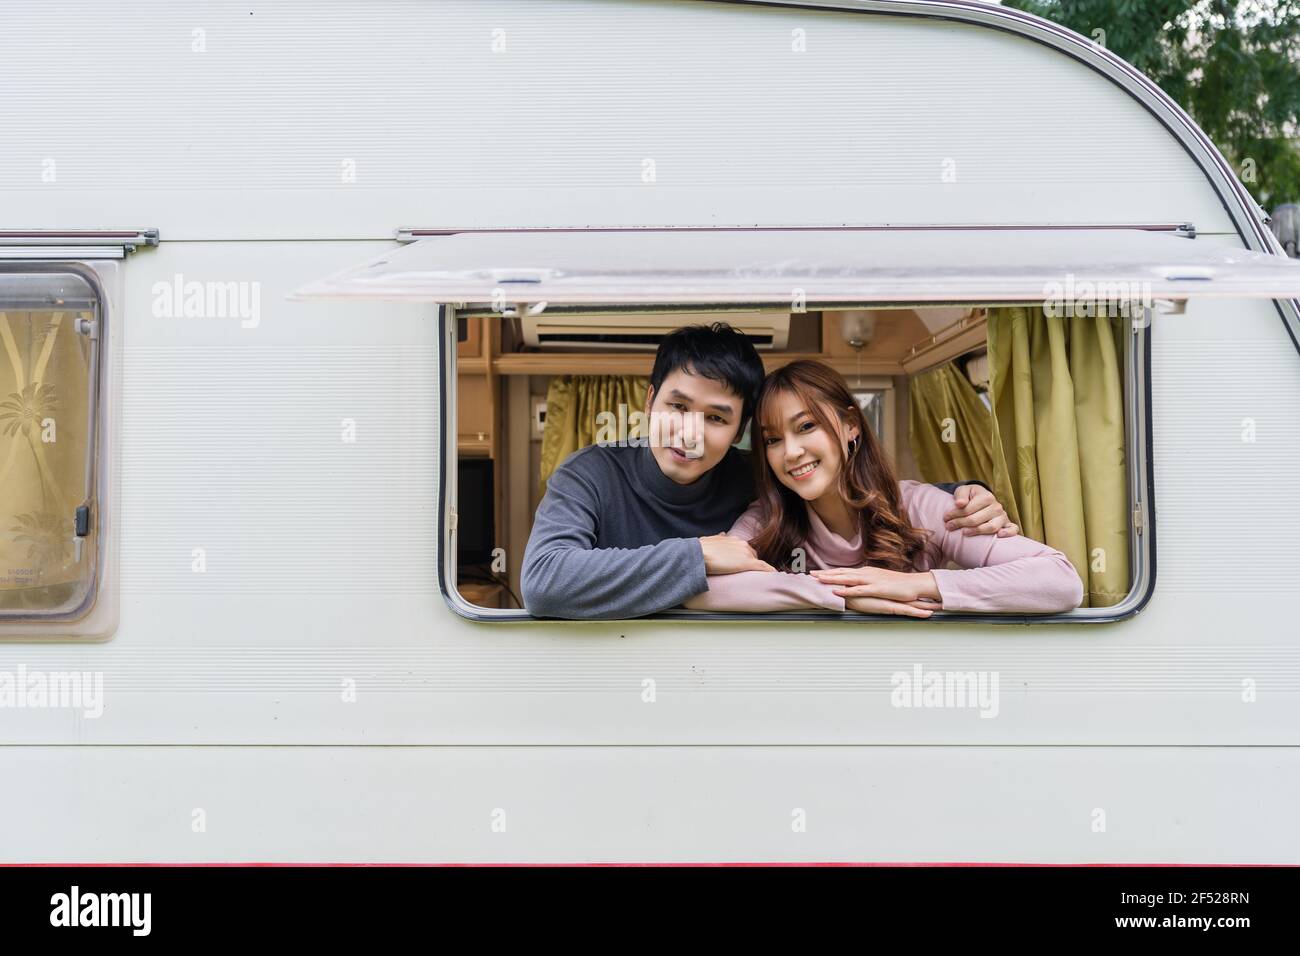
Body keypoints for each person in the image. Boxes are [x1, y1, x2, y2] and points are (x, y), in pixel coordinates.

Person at [521, 323, 1019, 620]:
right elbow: (544, 582)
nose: (690, 433)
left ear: (740, 429)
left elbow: (851, 493)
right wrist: (697, 555)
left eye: (716, 418)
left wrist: (964, 494)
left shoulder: (759, 478)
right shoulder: (589, 474)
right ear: (651, 403)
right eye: (677, 406)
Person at [684, 360, 1085, 616]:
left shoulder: (921, 505)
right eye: (772, 440)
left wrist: (915, 584)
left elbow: (1059, 581)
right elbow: (703, 592)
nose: (791, 452)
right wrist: (841, 596)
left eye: (807, 427)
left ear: (851, 425)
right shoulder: (765, 518)